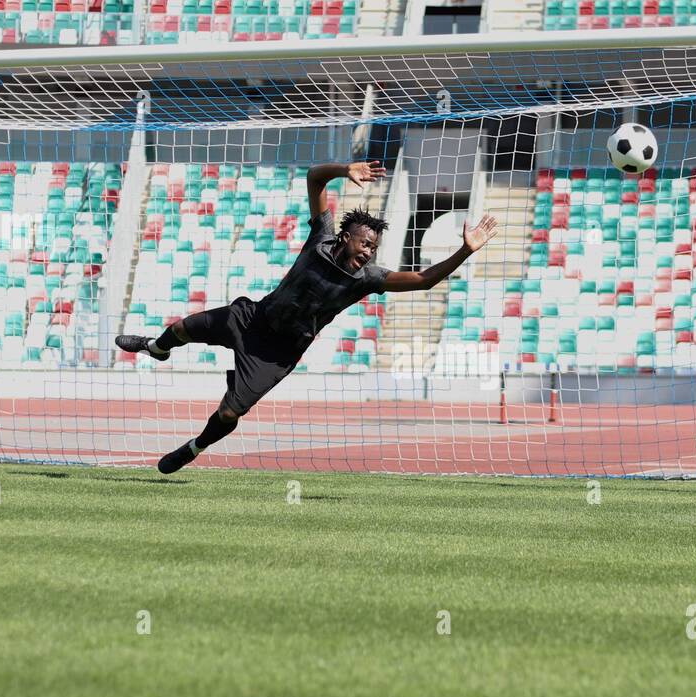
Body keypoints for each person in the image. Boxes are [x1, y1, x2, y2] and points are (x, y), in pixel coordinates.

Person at [115, 160, 500, 473]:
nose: (369, 251)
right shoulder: (322, 237)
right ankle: (155, 348)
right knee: (181, 328)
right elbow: (313, 177)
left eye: (374, 247)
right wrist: (342, 169)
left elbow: (425, 279)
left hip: (278, 353)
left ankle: (194, 448)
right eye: (365, 242)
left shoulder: (370, 279)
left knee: (231, 412)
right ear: (347, 236)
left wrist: (464, 250)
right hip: (252, 318)